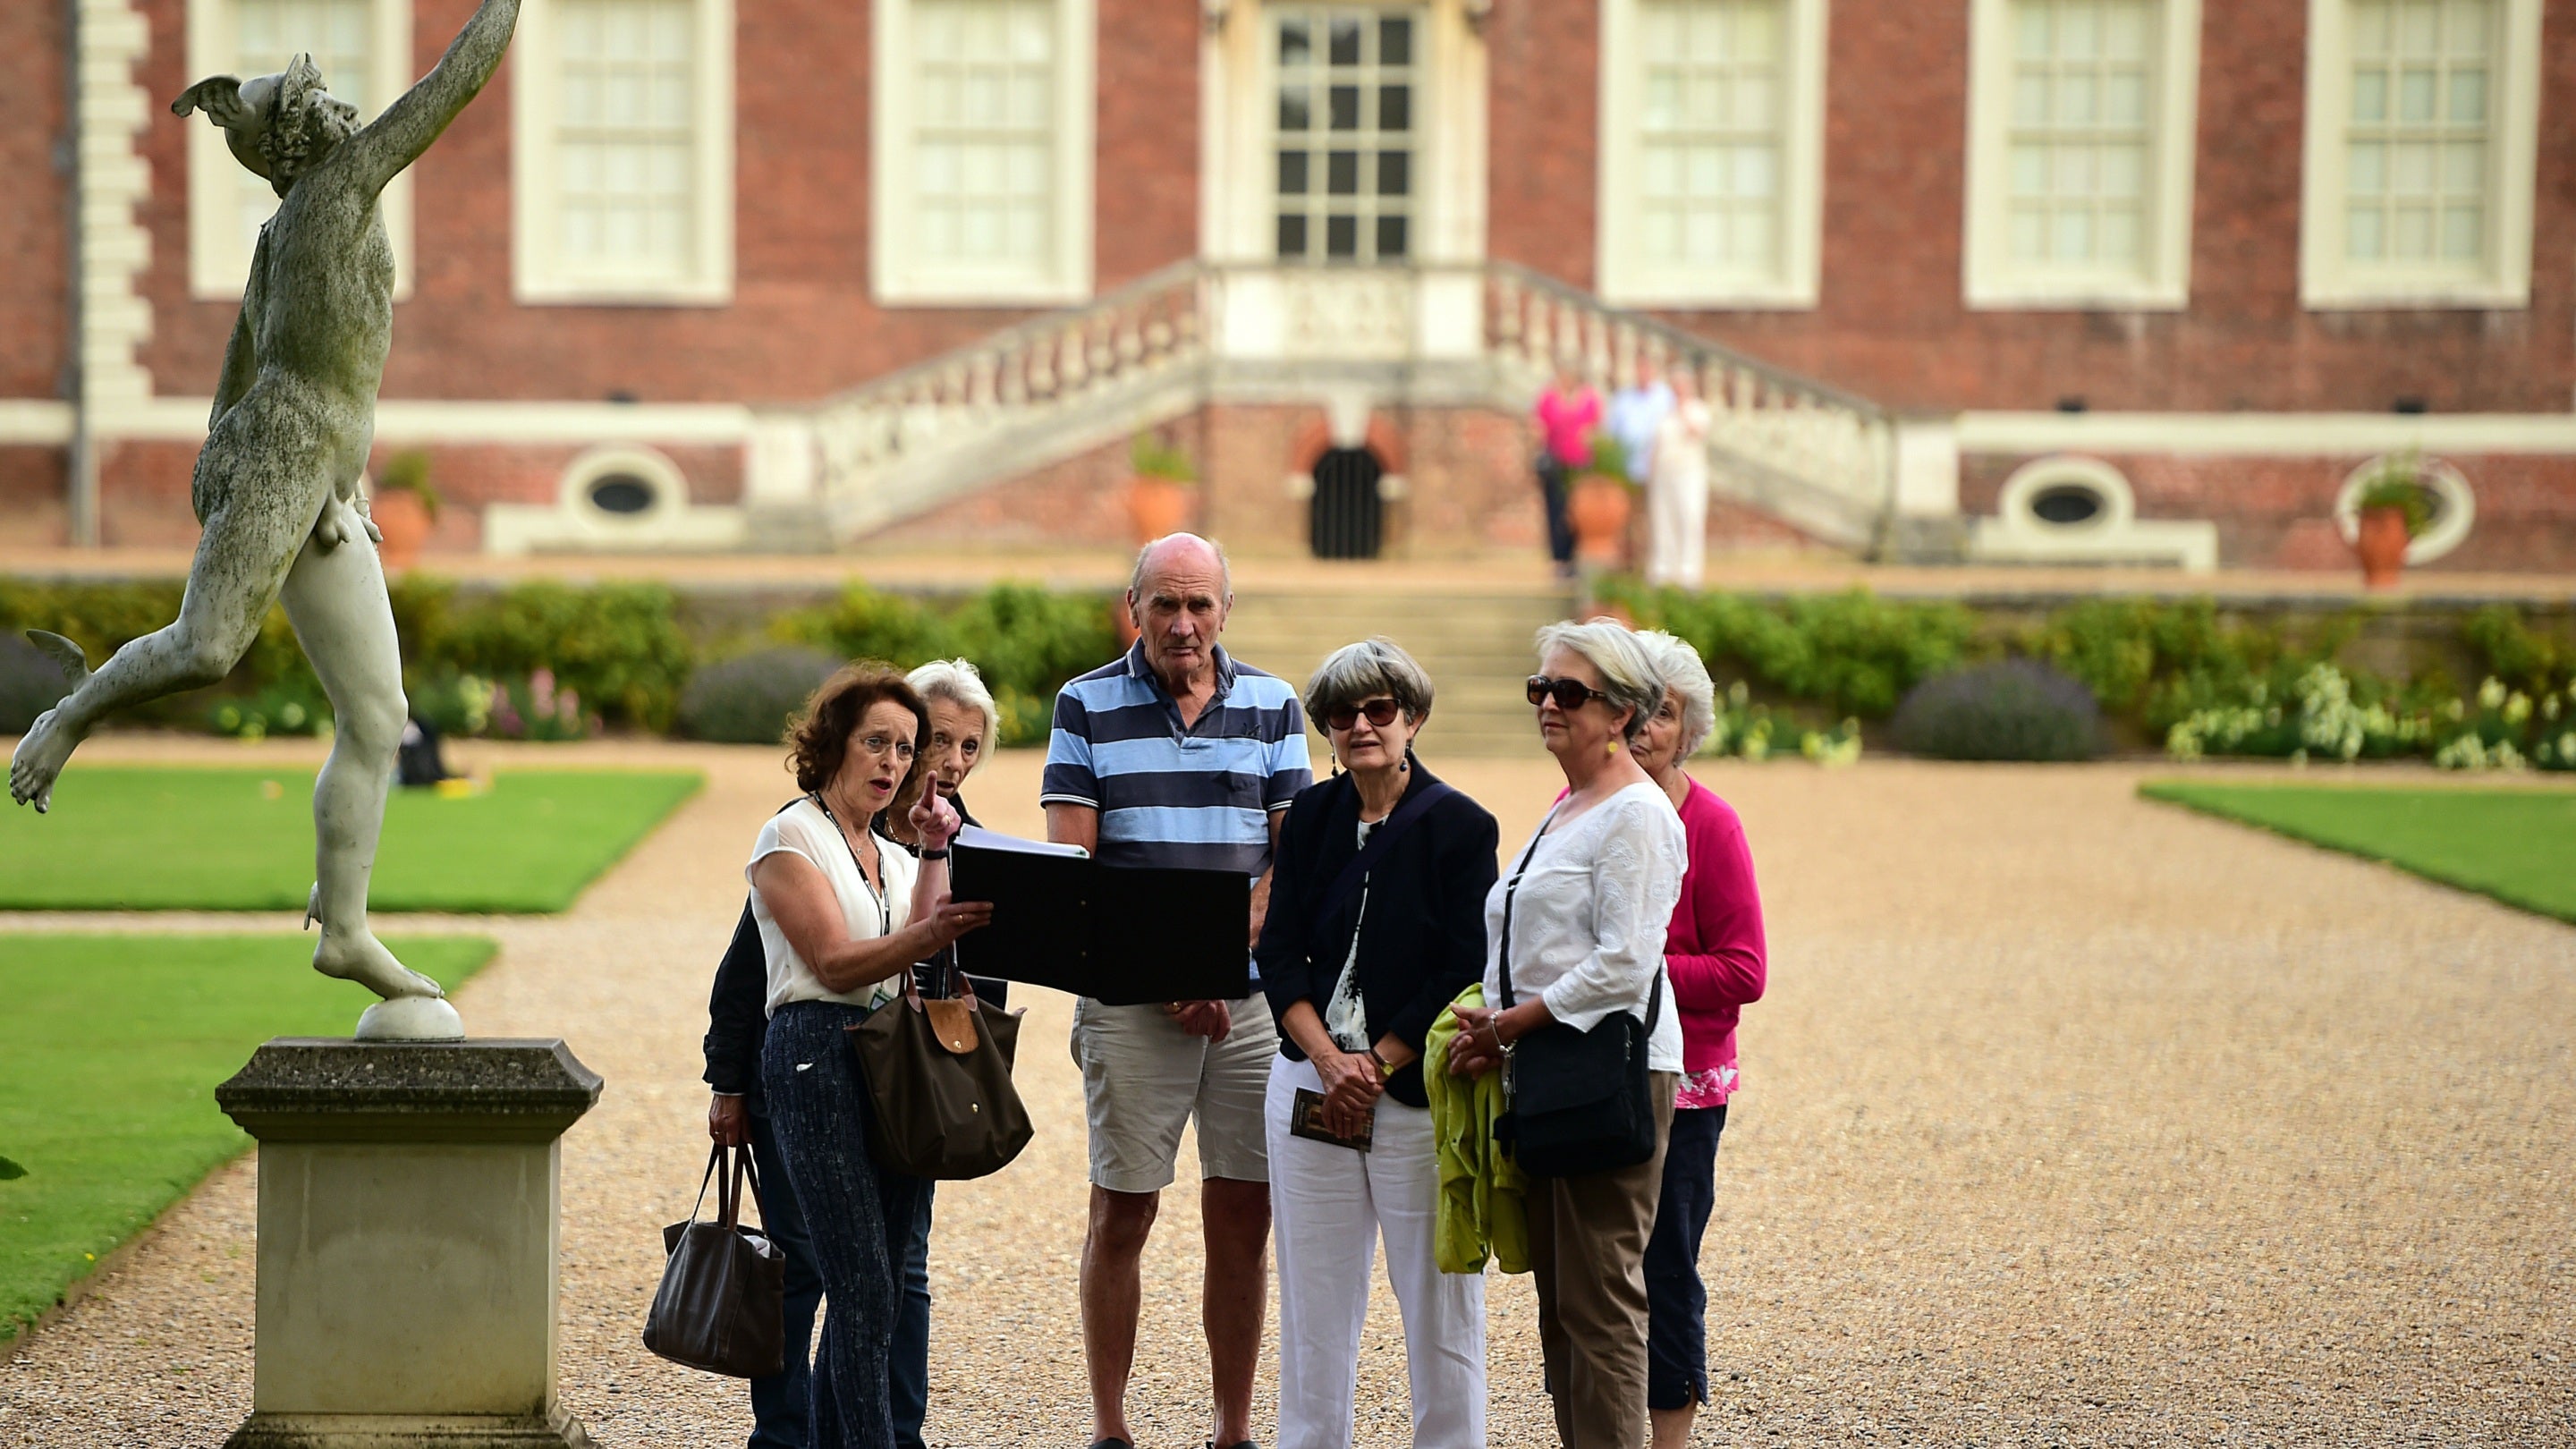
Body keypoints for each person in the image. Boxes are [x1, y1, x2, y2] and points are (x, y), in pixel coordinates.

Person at [1042, 533, 1312, 1449]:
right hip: (1130, 1002)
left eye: (1200, 605)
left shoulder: (1275, 705)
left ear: (1226, 611)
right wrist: (1170, 972)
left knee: (1243, 1216)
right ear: (1135, 608)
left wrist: (1212, 964)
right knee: (1123, 1209)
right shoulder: (1084, 704)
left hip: (1245, 1007)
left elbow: (1291, 862)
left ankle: (1231, 1430)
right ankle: (1111, 1429)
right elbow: (1076, 867)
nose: (1184, 623)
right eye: (1166, 604)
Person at [1445, 619, 1686, 1449]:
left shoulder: (1637, 816)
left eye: (1569, 692)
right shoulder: (1571, 806)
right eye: (1539, 687)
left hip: (1610, 1070)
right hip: (1549, 1067)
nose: (1548, 703)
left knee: (1601, 1308)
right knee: (1561, 1308)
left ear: (1621, 712)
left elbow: (1626, 962)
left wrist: (1512, 1022)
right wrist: (1499, 1029)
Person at [1255, 640, 1500, 1449]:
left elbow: (1463, 965)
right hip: (1310, 1084)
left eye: (1380, 709)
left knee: (1438, 1306)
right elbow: (1279, 950)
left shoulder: (1461, 826)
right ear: (1326, 728)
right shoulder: (1313, 818)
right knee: (1314, 1307)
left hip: (1411, 1097)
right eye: (1342, 713)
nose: (1361, 725)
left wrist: (1377, 1062)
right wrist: (1328, 1060)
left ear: (1413, 719)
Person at [750, 665, 992, 1449]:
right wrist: (936, 932)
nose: (893, 762)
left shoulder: (886, 849)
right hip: (814, 1055)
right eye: (876, 743)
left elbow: (910, 964)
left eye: (904, 748)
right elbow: (835, 962)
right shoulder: (792, 835)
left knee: (880, 1289)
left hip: (886, 1059)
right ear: (834, 745)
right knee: (857, 1285)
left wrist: (930, 852)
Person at [1628, 632, 1767, 1449]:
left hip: (1682, 1086)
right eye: (1633, 708)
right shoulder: (1575, 809)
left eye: (1664, 712)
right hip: (1591, 1072)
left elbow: (1744, 971)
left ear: (1688, 730)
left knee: (1665, 1266)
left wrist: (1630, 972)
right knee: (1591, 1273)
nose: (1645, 725)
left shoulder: (1711, 826)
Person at [874, 657, 1005, 1449]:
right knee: (808, 1267)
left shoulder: (982, 848)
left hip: (913, 1076)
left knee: (905, 1263)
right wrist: (731, 1076)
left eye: (969, 747)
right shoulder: (830, 823)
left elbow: (988, 989)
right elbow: (751, 967)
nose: (952, 762)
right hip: (823, 1060)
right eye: (939, 741)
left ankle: (899, 1434)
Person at [1646, 372, 1714, 591]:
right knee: (1664, 519)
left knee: (1689, 516)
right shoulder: (1664, 412)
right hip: (1665, 474)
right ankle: (1664, 569)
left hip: (1689, 473)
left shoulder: (1698, 410)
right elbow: (1657, 443)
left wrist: (1683, 410)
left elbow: (1697, 433)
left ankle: (1689, 570)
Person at [1532, 367, 1603, 578]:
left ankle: (1577, 558)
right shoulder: (1549, 397)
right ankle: (1560, 560)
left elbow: (1596, 427)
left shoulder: (1589, 398)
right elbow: (1538, 426)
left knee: (1578, 512)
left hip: (1580, 464)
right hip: (1556, 463)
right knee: (1556, 511)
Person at [1608, 369, 1675, 494]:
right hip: (1626, 465)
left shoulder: (1664, 396)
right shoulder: (1624, 396)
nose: (1643, 374)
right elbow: (1612, 429)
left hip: (1656, 466)